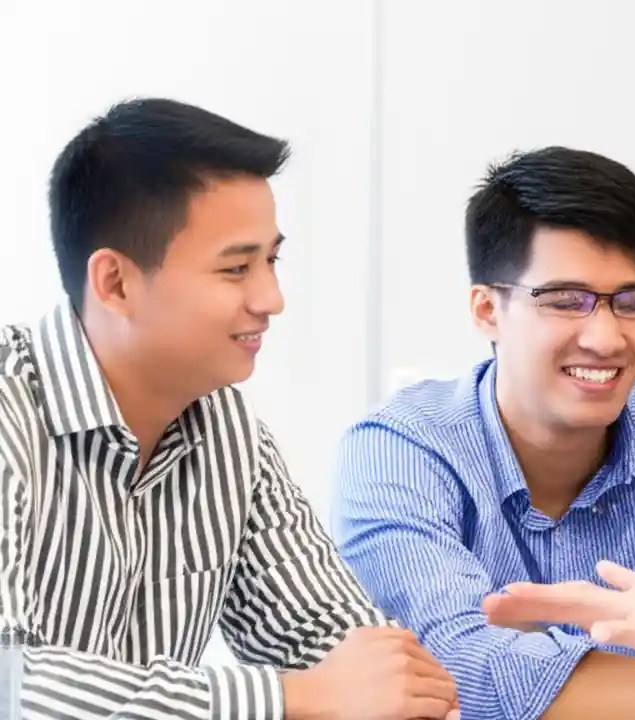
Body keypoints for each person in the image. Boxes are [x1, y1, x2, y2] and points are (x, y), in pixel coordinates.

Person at [0, 98, 458, 720]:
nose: (272, 298)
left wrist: (392, 694)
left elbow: (341, 643)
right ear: (116, 283)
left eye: (271, 260)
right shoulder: (10, 409)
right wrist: (289, 699)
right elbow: (11, 686)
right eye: (236, 268)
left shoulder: (230, 435)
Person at [330, 146, 635, 720]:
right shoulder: (400, 448)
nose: (606, 338)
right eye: (567, 301)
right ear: (487, 309)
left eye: (632, 302)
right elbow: (452, 667)